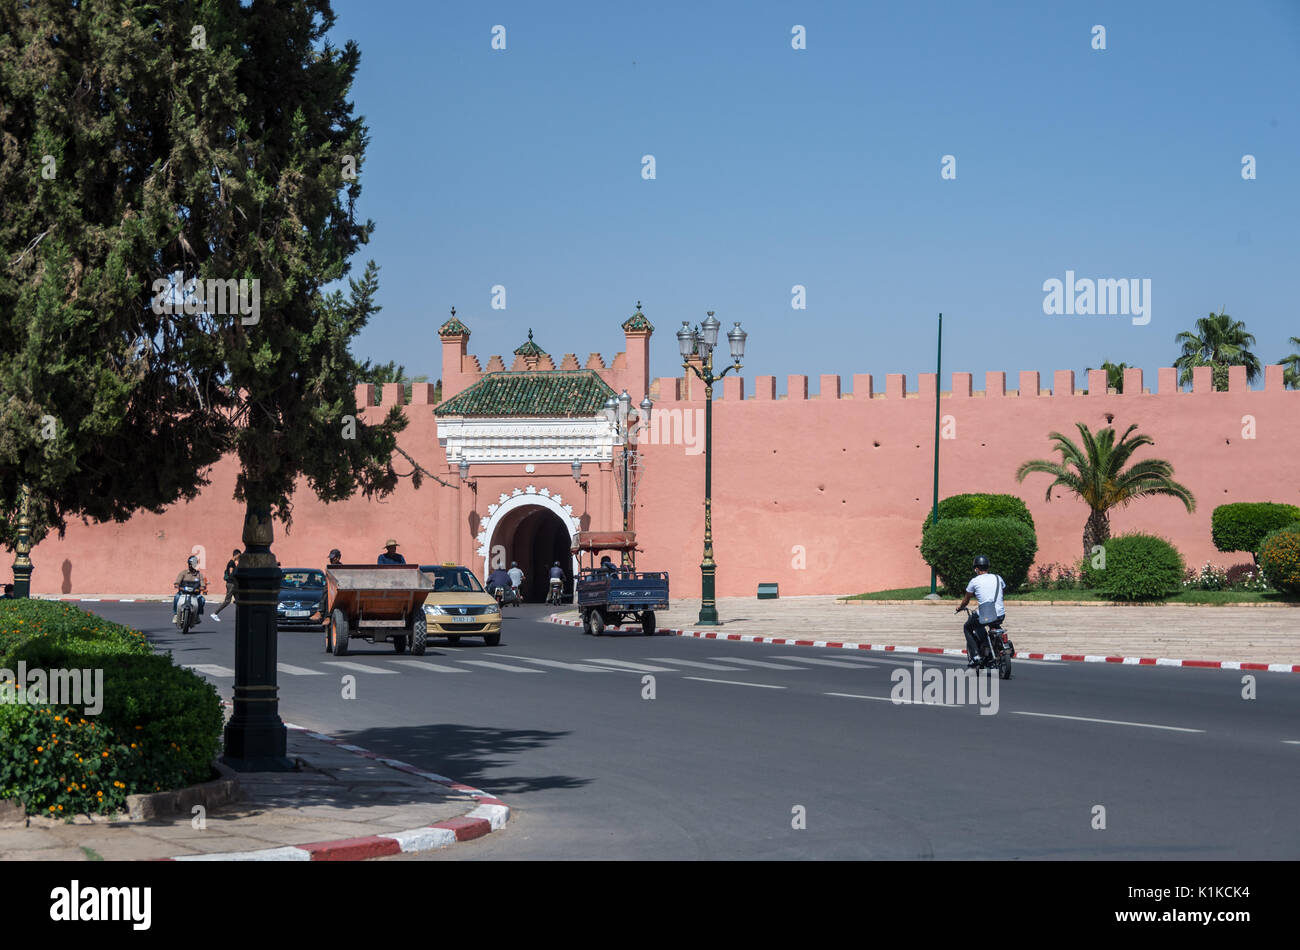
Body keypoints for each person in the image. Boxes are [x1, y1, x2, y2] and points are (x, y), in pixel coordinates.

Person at [955, 554, 1005, 668]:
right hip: (1000, 613)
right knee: (989, 623)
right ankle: (998, 646)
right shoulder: (998, 578)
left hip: (986, 614)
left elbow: (966, 600)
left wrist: (960, 607)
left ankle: (976, 655)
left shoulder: (974, 581)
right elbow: (1002, 592)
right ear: (988, 567)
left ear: (977, 569)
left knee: (968, 627)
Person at [173, 555, 208, 624]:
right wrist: (177, 585)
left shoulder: (199, 575)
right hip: (183, 593)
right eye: (191, 563)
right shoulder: (183, 573)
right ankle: (176, 615)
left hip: (195, 594)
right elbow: (177, 582)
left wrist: (202, 588)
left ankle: (197, 615)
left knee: (202, 600)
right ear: (189, 564)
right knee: (176, 597)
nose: (192, 565)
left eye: (194, 564)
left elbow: (203, 585)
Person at [210, 548, 241, 621]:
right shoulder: (231, 563)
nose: (239, 558)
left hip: (234, 585)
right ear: (236, 555)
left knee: (239, 600)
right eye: (239, 556)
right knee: (227, 601)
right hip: (231, 584)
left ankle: (242, 617)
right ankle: (214, 613)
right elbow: (231, 574)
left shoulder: (233, 563)